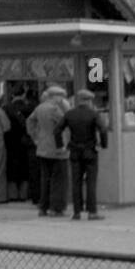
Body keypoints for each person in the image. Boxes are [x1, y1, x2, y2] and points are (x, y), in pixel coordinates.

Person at [56, 89, 108, 220]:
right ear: (89, 100)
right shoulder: (93, 114)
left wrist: (60, 145)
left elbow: (57, 130)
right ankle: (92, 212)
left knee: (76, 182)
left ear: (78, 100)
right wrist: (103, 144)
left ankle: (77, 212)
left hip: (75, 152)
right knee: (91, 182)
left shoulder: (70, 114)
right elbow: (102, 129)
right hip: (90, 151)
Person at [27, 87, 70, 217]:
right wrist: (67, 108)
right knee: (59, 179)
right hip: (57, 149)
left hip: (43, 148)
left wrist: (35, 136)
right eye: (60, 97)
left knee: (45, 178)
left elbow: (29, 121)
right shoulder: (55, 109)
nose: (62, 99)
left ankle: (43, 207)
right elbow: (66, 121)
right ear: (54, 96)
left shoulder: (40, 108)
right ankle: (56, 208)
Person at [3, 88, 33, 201]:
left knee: (11, 168)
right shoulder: (29, 108)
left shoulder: (6, 108)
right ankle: (24, 194)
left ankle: (13, 194)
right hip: (25, 142)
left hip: (10, 142)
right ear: (24, 94)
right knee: (24, 168)